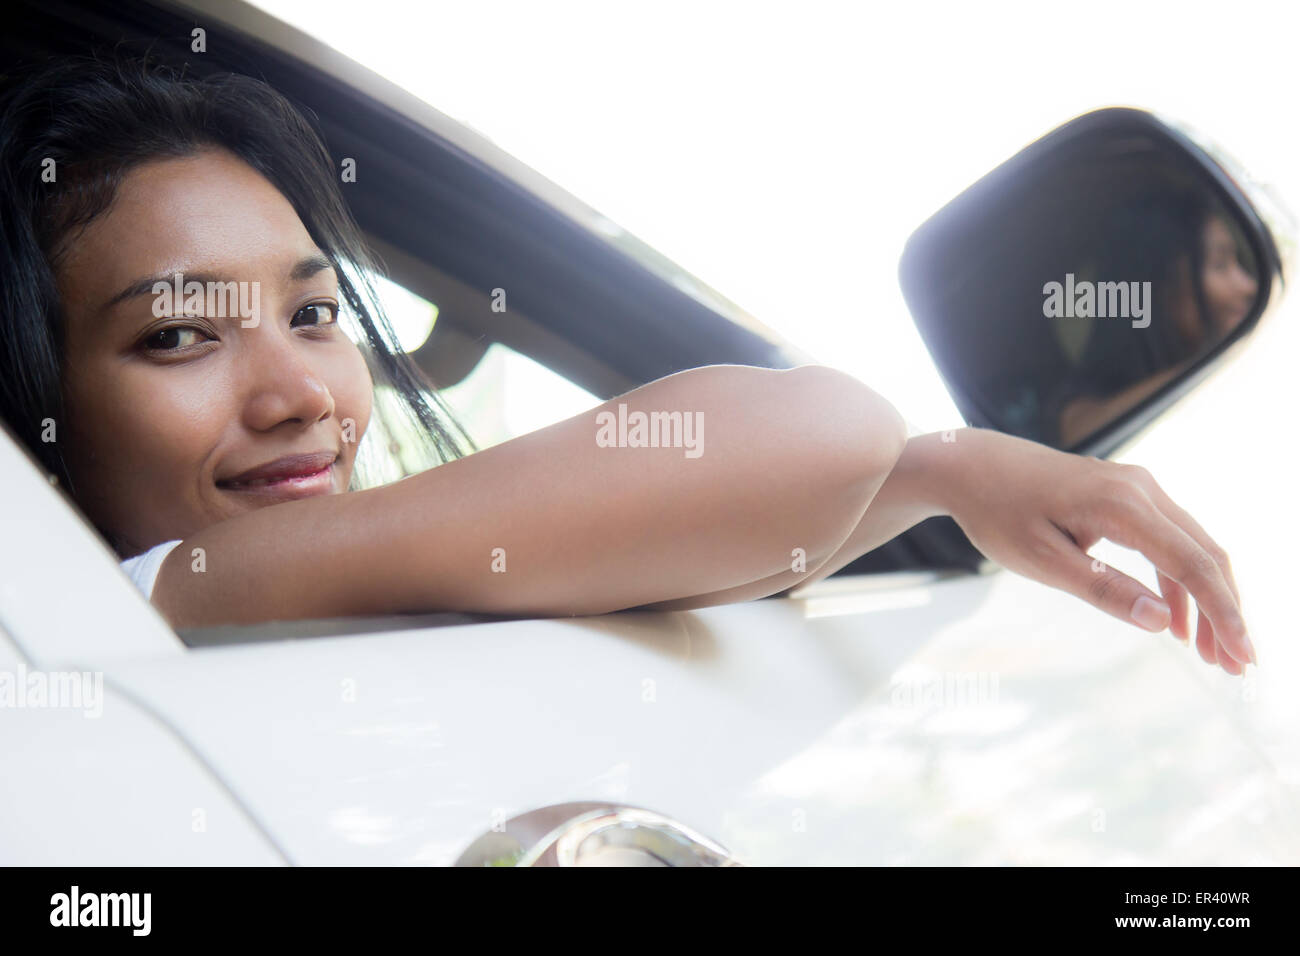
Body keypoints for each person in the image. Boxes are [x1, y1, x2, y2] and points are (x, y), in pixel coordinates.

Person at [0, 56, 1253, 675]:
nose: (298, 396)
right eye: (176, 335)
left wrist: (932, 473)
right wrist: (932, 454)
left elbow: (706, 535)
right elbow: (808, 435)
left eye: (317, 315)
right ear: (38, 392)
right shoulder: (166, 591)